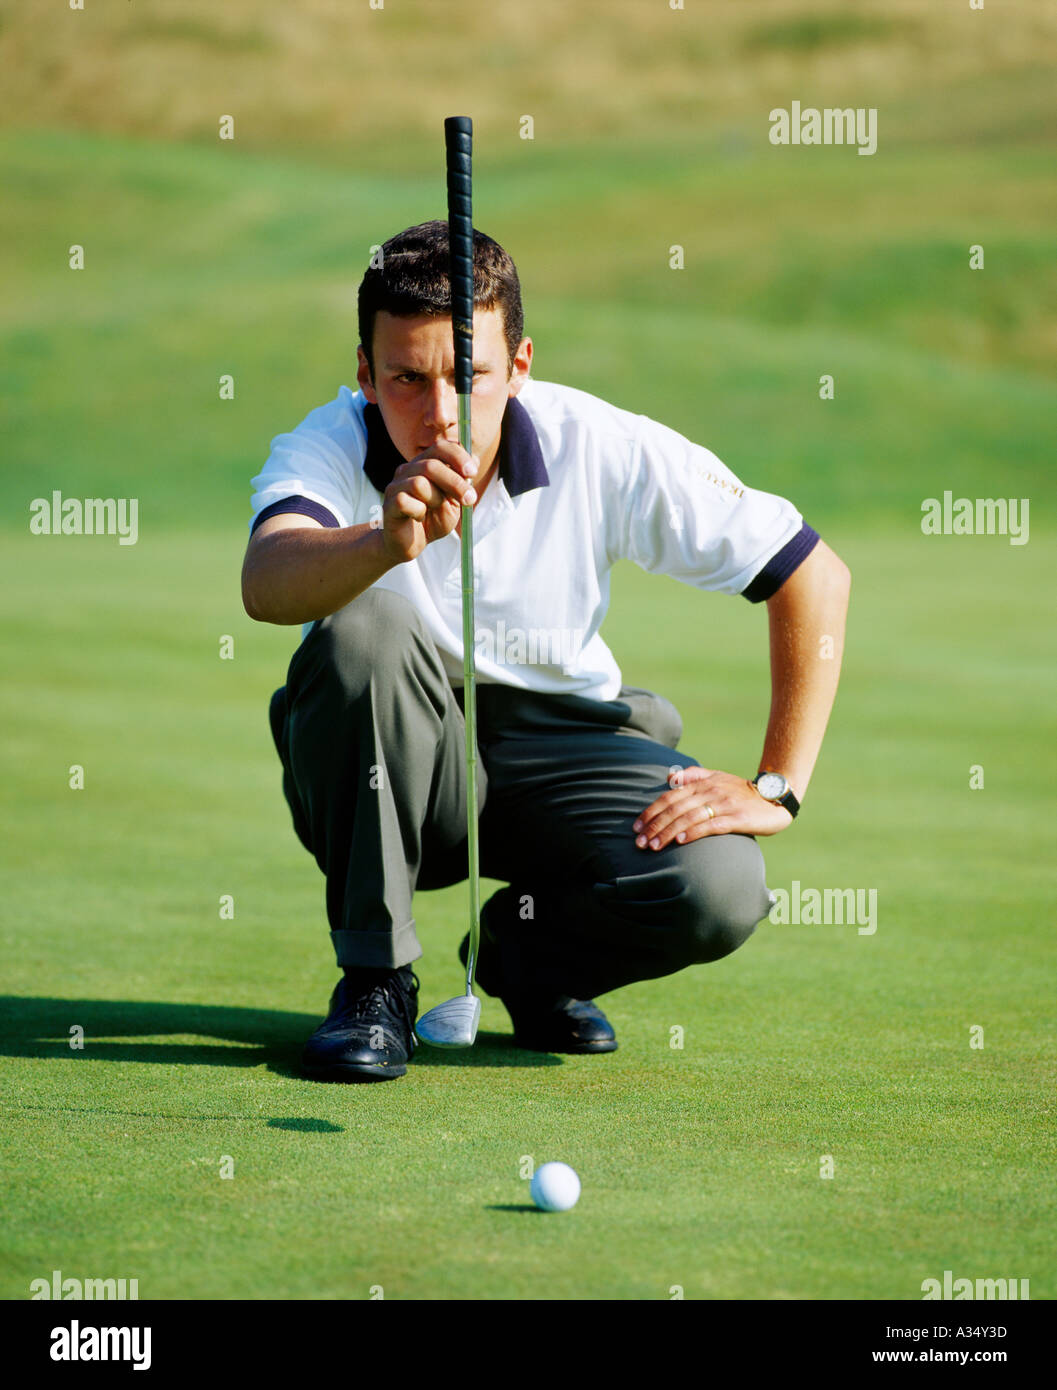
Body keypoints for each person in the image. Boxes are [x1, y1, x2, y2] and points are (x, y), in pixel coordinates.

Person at [241, 220, 850, 1083]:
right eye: (407, 378)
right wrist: (381, 542)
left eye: (469, 375)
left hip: (561, 748)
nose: (440, 410)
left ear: (519, 365)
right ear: (365, 374)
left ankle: (526, 963)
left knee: (719, 885)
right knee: (363, 631)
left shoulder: (599, 443)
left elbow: (811, 572)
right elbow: (266, 582)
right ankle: (375, 981)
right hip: (400, 761)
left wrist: (777, 786)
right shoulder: (329, 443)